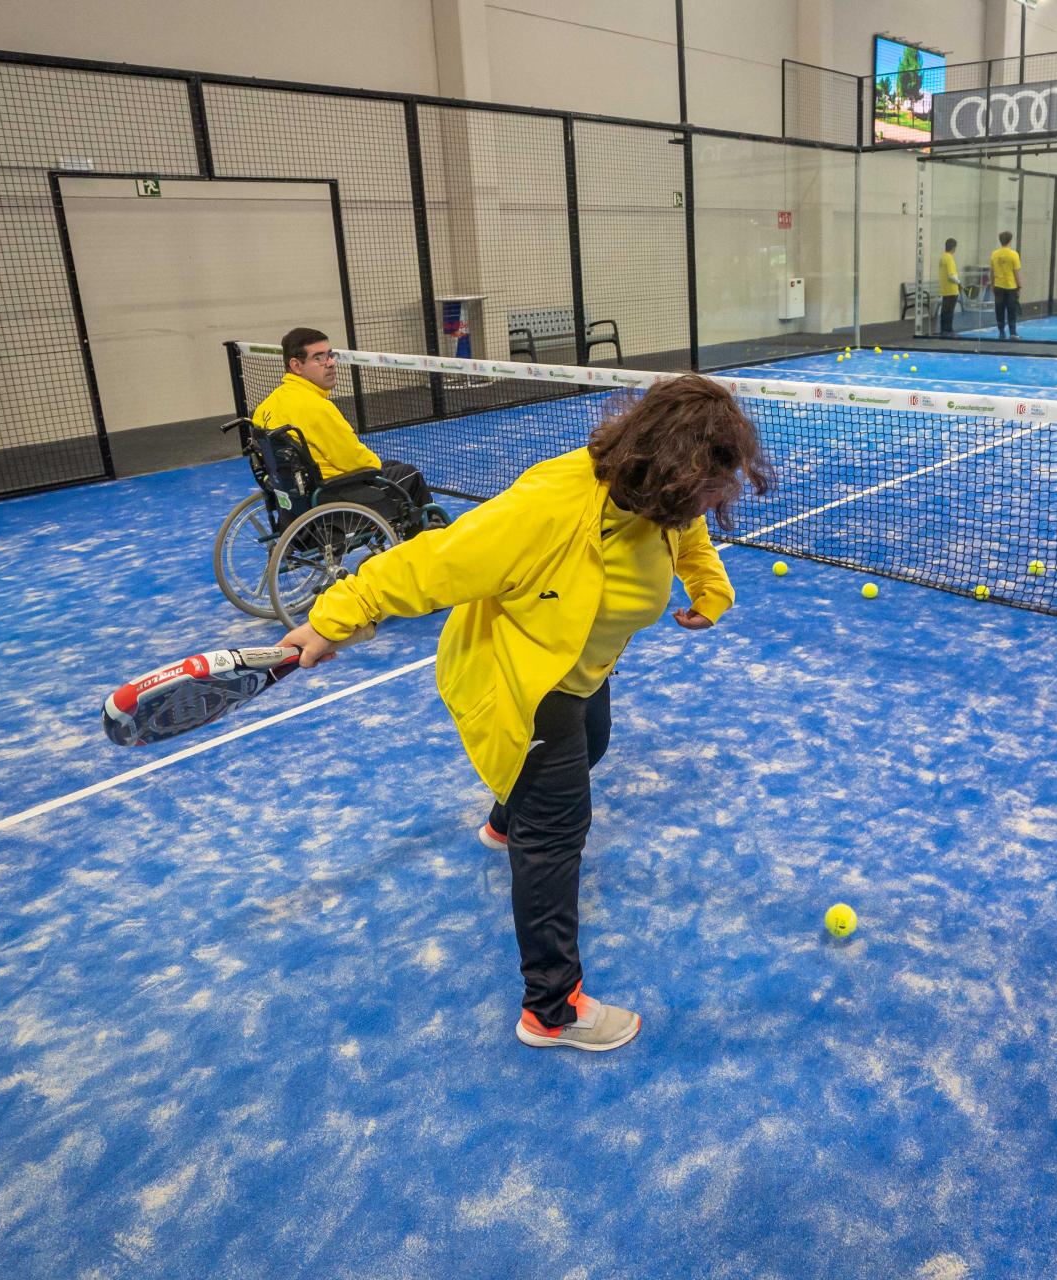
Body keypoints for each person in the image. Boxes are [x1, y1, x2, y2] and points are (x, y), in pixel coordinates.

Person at [280, 375, 773, 1051]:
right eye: (707, 487)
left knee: (593, 743)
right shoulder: (549, 507)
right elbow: (433, 562)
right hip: (525, 680)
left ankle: (509, 817)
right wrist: (332, 620)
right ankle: (552, 1009)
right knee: (559, 831)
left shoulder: (663, 502)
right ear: (666, 468)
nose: (714, 502)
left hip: (580, 665)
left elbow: (684, 535)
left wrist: (709, 587)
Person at [255, 327, 441, 519]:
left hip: (298, 495)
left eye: (330, 355)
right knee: (410, 474)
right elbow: (353, 460)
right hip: (331, 495)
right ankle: (429, 537)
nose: (330, 363)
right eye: (319, 358)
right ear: (296, 366)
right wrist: (376, 466)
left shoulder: (266, 406)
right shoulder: (316, 407)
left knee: (394, 466)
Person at [990, 231, 1023, 340]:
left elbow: (992, 271)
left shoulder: (994, 254)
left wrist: (992, 284)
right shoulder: (1014, 254)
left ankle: (1001, 332)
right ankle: (1013, 332)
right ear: (1010, 240)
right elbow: (1016, 272)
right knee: (1011, 310)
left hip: (998, 286)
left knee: (999, 309)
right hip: (1011, 287)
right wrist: (1019, 286)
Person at [937, 237, 960, 336]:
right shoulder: (949, 258)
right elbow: (951, 275)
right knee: (949, 311)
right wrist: (959, 282)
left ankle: (943, 330)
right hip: (951, 289)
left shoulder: (943, 257)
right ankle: (949, 330)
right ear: (954, 247)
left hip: (945, 288)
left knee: (944, 310)